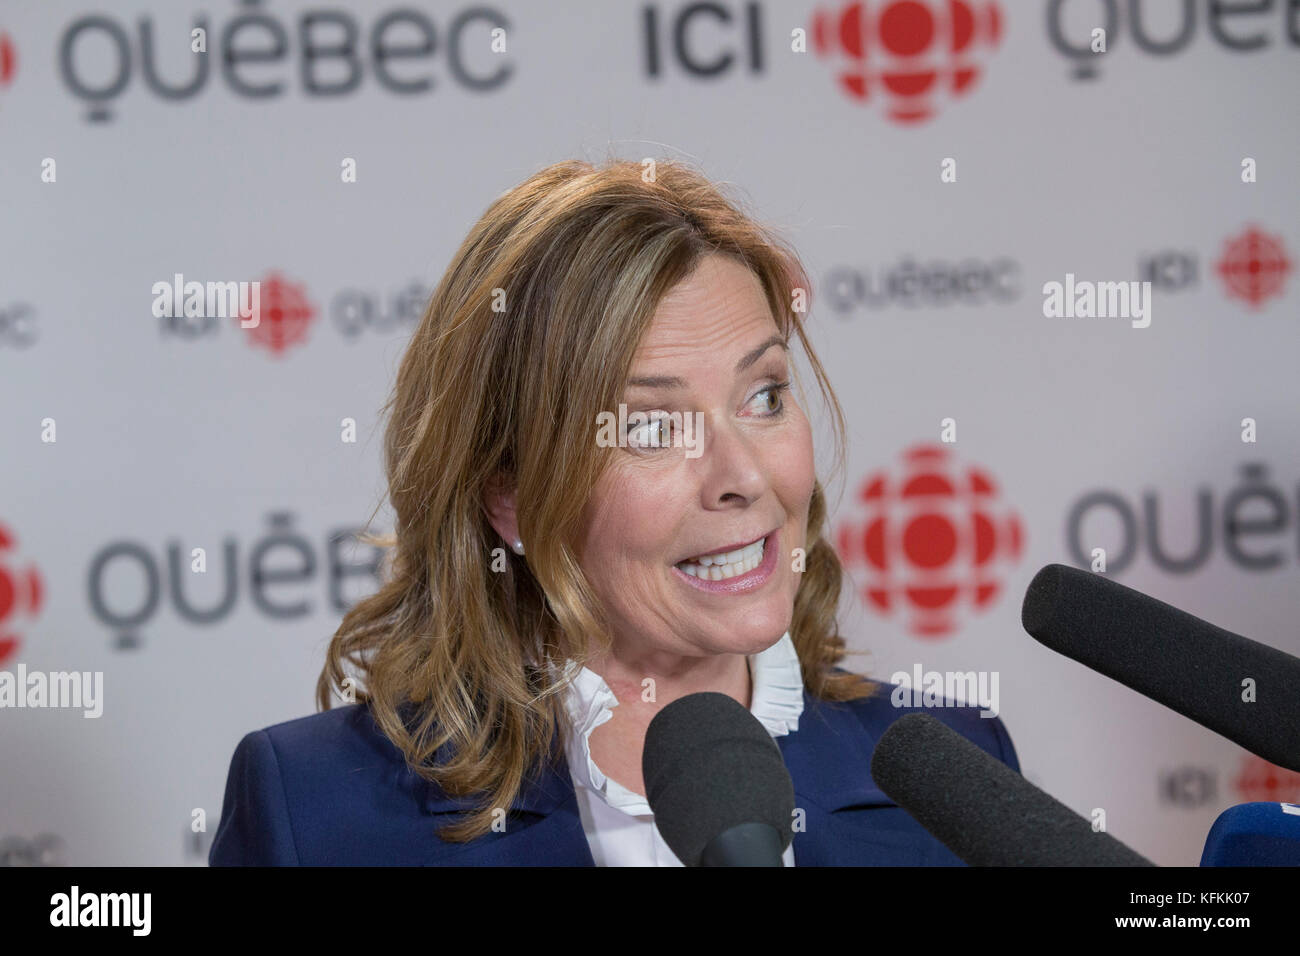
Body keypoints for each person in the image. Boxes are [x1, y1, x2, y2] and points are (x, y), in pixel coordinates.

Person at [209, 158, 1019, 866]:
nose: (742, 476)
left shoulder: (951, 775)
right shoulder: (315, 817)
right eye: (653, 428)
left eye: (765, 395)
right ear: (509, 496)